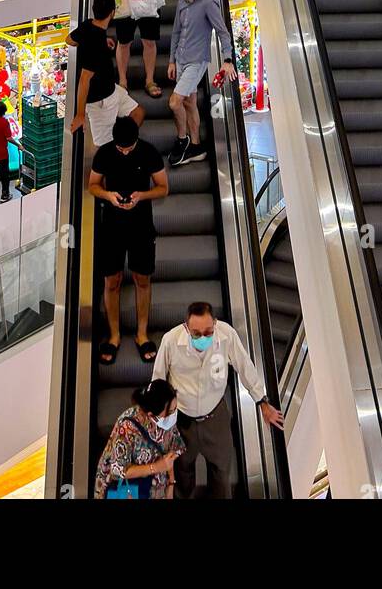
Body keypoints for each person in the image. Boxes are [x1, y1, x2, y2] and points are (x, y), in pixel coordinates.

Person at [152, 300, 284, 500]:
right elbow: (158, 378)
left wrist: (262, 402)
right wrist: (158, 418)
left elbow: (244, 366)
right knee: (183, 471)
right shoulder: (171, 341)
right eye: (196, 334)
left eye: (208, 332)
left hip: (215, 417)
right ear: (186, 327)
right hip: (182, 421)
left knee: (222, 471)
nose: (203, 337)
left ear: (215, 323)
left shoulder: (226, 335)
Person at [88, 116, 168, 366]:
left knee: (142, 278)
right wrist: (108, 195)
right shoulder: (104, 154)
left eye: (128, 148)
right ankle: (114, 335)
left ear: (136, 140)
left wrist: (141, 196)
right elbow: (92, 185)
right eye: (120, 148)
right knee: (111, 280)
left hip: (141, 224)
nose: (124, 151)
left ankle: (142, 333)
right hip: (110, 225)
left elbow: (163, 187)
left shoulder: (149, 152)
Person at [168, 0, 236, 168]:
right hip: (181, 60)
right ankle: (196, 145)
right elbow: (176, 33)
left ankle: (183, 140)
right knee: (189, 102)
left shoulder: (208, 2)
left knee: (174, 102)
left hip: (197, 62)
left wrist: (227, 60)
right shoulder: (182, 1)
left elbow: (223, 33)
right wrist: (172, 61)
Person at [68, 0, 145, 147]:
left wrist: (101, 41)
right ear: (112, 12)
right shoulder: (96, 45)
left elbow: (69, 40)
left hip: (111, 89)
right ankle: (120, 151)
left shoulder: (88, 25)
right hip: (100, 101)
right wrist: (80, 115)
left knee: (138, 113)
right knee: (105, 146)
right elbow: (84, 80)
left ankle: (125, 142)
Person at [94, 380, 184, 500]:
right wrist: (156, 467)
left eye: (175, 409)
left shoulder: (167, 421)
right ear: (152, 415)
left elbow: (169, 454)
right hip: (128, 487)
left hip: (156, 486)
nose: (174, 415)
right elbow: (118, 470)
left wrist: (171, 484)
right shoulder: (127, 427)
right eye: (171, 411)